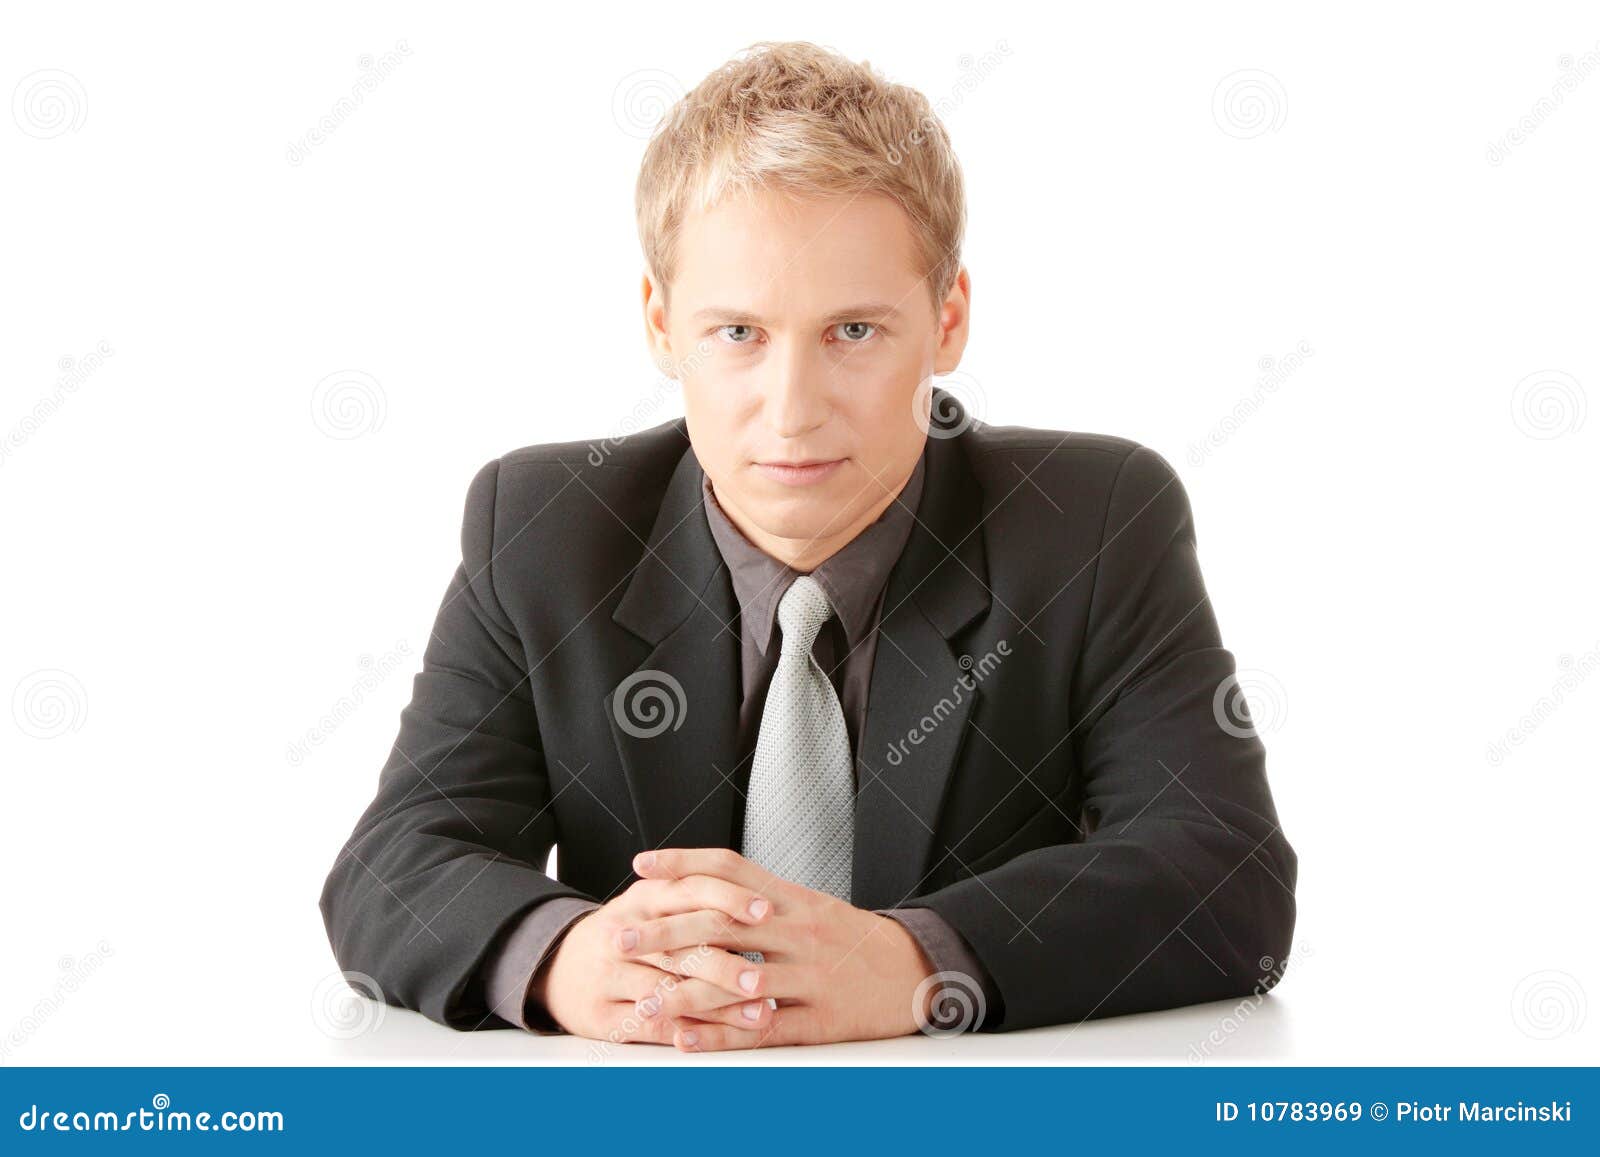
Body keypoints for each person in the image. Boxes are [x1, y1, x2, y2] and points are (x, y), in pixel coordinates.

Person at [319, 40, 1297, 1052]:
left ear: (947, 318)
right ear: (661, 325)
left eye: (854, 333)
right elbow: (394, 860)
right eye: (737, 332)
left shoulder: (1093, 522)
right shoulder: (539, 527)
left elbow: (1224, 868)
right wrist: (566, 955)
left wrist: (919, 958)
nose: (791, 412)